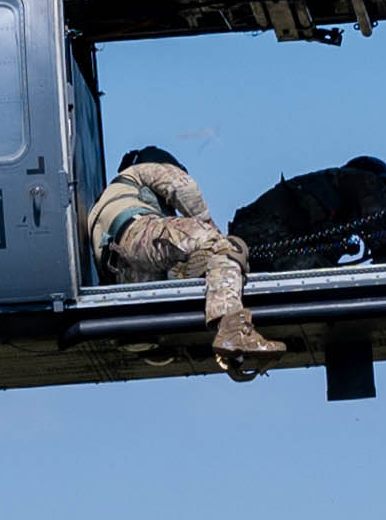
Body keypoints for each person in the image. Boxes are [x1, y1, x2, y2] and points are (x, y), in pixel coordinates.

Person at [89, 146, 281, 377]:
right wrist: (210, 229)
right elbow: (183, 187)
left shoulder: (107, 201)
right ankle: (233, 330)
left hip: (122, 273)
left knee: (190, 268)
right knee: (227, 246)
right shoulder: (139, 171)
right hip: (139, 234)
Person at [235, 154, 386, 273]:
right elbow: (383, 236)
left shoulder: (334, 192)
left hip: (249, 245)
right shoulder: (367, 181)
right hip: (265, 237)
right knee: (333, 283)